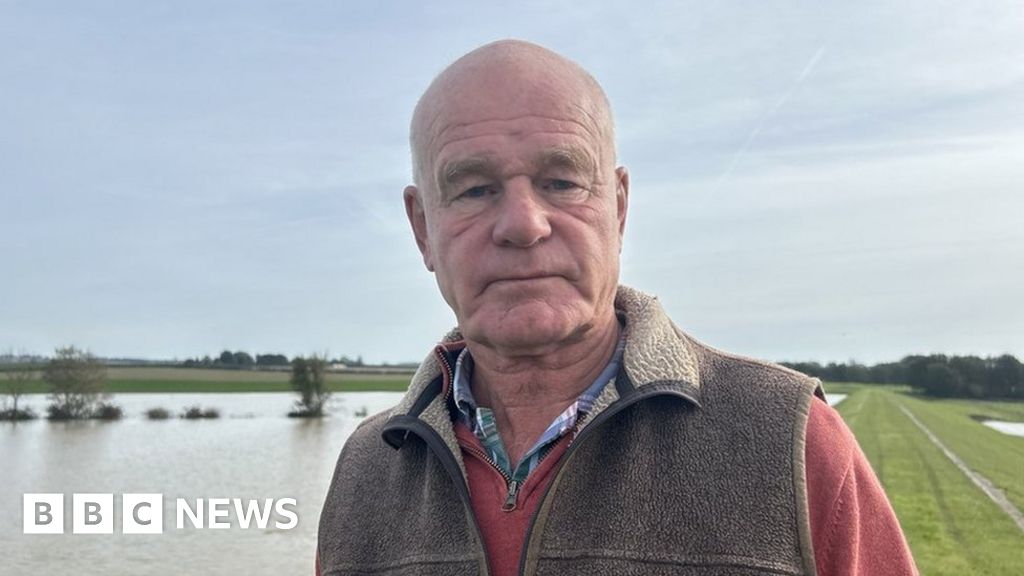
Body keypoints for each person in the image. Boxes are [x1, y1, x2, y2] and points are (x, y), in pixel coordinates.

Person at [317, 39, 917, 576]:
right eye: (474, 189)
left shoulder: (791, 441)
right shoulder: (363, 474)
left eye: (562, 181)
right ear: (422, 229)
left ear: (619, 208)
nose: (524, 225)